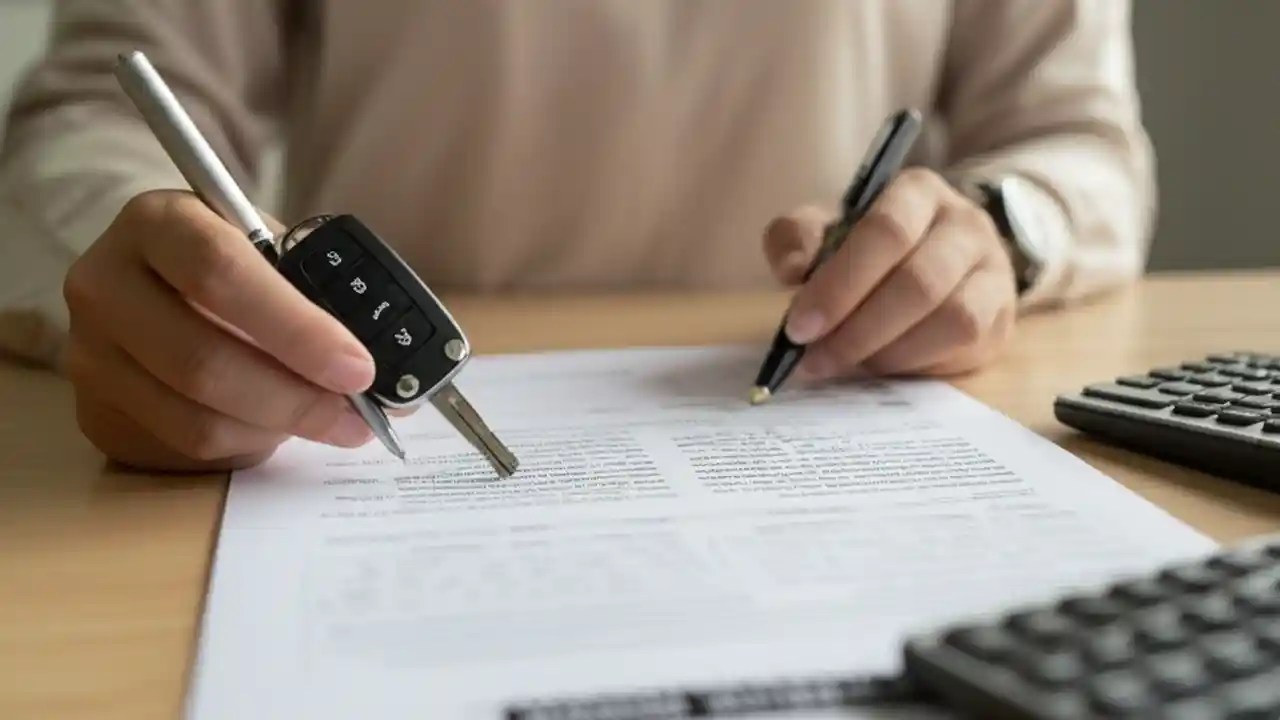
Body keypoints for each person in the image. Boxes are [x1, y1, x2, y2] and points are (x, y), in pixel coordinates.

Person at [0, 1, 1155, 471]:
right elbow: (96, 116)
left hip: (835, 394)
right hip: (318, 395)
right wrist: (144, 258)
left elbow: (1079, 143)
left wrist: (993, 231)